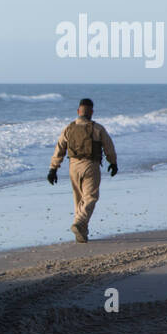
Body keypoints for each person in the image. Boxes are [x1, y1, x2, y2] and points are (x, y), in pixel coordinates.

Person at [47, 97, 117, 243]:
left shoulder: (69, 128)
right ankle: (79, 223)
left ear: (78, 111)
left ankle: (81, 233)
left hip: (73, 166)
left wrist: (53, 169)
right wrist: (113, 163)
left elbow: (59, 149)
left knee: (79, 200)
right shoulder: (97, 128)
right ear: (91, 112)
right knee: (90, 197)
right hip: (90, 165)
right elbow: (109, 147)